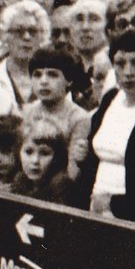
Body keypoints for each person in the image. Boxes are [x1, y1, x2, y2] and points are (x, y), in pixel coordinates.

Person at [82, 28, 135, 222]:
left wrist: (113, 204)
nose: (127, 72)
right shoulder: (110, 98)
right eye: (120, 63)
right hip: (94, 205)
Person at [20, 46, 90, 178]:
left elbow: (73, 171)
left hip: (62, 185)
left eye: (52, 75)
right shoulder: (27, 111)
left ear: (69, 80)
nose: (43, 81)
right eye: (37, 75)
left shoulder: (78, 118)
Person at [0, 0, 49, 117]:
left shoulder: (55, 77)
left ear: (42, 36)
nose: (26, 37)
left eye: (33, 31)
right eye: (19, 31)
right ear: (5, 36)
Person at [11, 120, 79, 206]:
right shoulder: (19, 180)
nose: (35, 160)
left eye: (44, 153)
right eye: (28, 152)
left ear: (56, 158)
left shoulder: (61, 186)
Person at [67, 0, 114, 105]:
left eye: (94, 19)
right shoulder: (69, 70)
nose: (85, 27)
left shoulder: (115, 67)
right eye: (79, 19)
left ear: (108, 27)